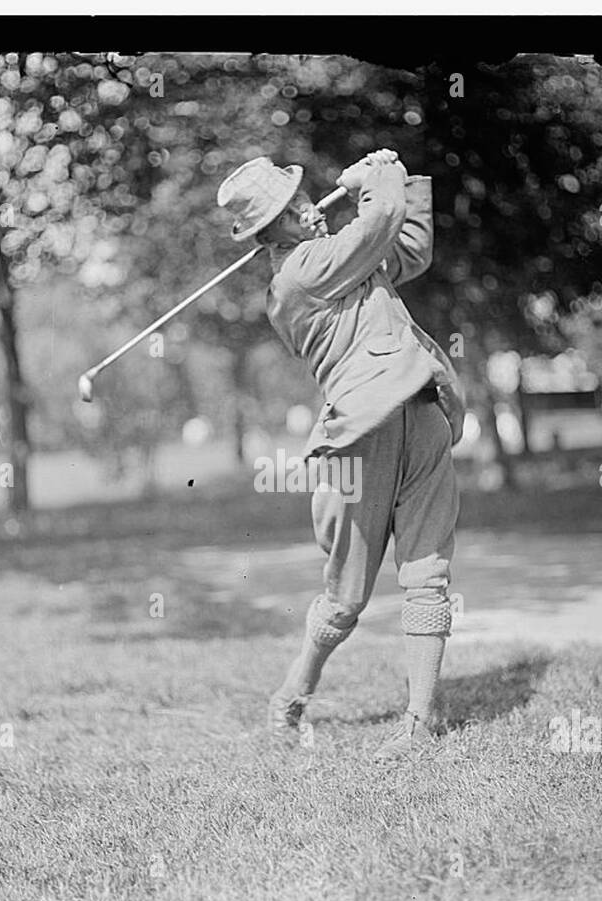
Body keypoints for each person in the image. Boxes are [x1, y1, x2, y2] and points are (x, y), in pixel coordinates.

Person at [217, 150, 465, 763]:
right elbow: (378, 222)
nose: (309, 211)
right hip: (362, 435)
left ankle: (418, 722)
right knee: (347, 597)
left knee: (429, 572)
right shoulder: (299, 276)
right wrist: (369, 181)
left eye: (302, 199)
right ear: (265, 235)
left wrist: (403, 179)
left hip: (422, 411)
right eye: (289, 210)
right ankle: (295, 690)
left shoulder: (344, 262)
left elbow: (408, 248)